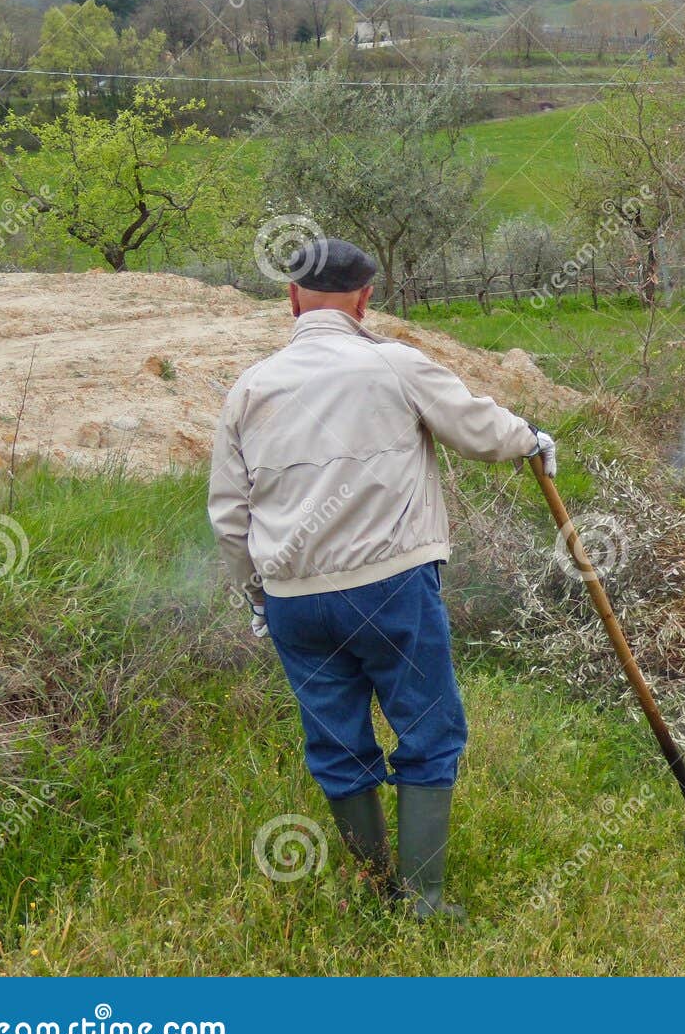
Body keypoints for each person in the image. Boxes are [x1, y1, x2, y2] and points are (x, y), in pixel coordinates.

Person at [208, 238, 556, 919]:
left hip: (293, 602)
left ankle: (376, 887)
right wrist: (533, 440)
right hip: (390, 589)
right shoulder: (392, 365)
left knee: (336, 742)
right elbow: (481, 431)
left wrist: (257, 597)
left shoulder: (249, 389)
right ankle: (424, 898)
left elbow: (228, 515)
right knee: (428, 732)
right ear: (365, 300)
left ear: (292, 299)